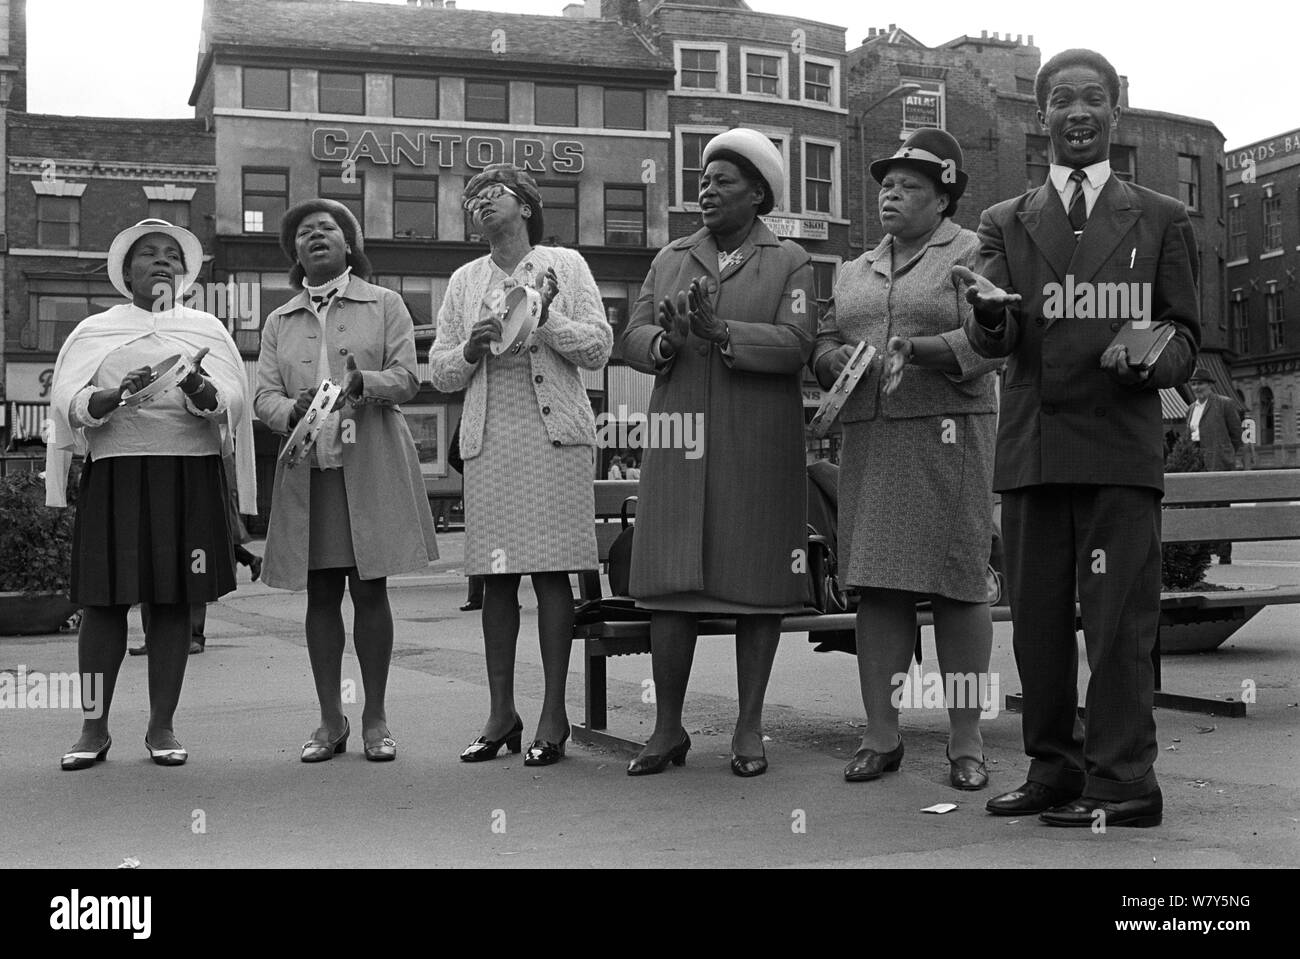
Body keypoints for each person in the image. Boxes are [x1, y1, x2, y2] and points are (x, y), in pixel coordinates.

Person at [955, 48, 1200, 827]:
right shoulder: (1003, 220)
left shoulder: (1161, 217)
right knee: (1037, 624)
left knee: (1120, 622)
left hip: (1118, 449)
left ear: (1115, 112)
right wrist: (988, 314)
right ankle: (1054, 767)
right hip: (1034, 447)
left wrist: (1152, 355)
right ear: (1043, 117)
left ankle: (1125, 780)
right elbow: (993, 339)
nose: (1079, 112)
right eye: (1062, 100)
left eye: (1094, 97)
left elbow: (1186, 337)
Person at [812, 129, 1003, 790]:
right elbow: (826, 337)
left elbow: (993, 340)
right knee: (879, 584)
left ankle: (967, 739)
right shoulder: (855, 269)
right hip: (873, 438)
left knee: (959, 584)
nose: (890, 194)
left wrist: (921, 351)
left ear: (943, 197)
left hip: (949, 435)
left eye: (909, 186)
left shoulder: (973, 253)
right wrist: (830, 357)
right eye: (886, 185)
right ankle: (881, 734)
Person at [621, 128, 815, 778]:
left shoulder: (791, 262)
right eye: (703, 180)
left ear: (757, 193)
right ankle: (666, 727)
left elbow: (798, 343)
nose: (706, 190)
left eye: (722, 180)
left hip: (755, 444)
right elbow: (633, 334)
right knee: (669, 586)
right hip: (679, 440)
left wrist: (722, 330)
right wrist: (668, 342)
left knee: (757, 586)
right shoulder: (671, 256)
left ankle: (749, 725)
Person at [47, 218, 256, 770]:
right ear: (126, 270)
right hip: (116, 475)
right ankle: (93, 728)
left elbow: (231, 404)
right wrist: (114, 394)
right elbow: (69, 403)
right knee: (102, 603)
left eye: (171, 254)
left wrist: (194, 384)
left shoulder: (207, 329)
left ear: (184, 273)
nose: (162, 260)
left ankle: (162, 726)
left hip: (188, 475)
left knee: (173, 601)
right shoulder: (94, 331)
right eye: (148, 253)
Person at [429, 164, 612, 767]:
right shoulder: (464, 280)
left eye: (493, 193)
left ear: (527, 206)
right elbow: (441, 371)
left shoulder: (566, 265)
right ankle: (501, 712)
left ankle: (554, 713)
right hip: (491, 438)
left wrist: (543, 317)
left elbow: (598, 347)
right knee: (497, 577)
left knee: (553, 574)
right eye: (472, 198)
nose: (480, 202)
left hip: (555, 437)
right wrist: (471, 347)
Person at [255, 199, 438, 763]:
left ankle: (375, 717)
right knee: (320, 593)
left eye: (327, 228)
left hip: (371, 464)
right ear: (294, 252)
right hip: (310, 471)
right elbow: (263, 396)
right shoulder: (279, 320)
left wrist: (365, 383)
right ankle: (330, 720)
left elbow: (408, 378)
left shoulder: (385, 304)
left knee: (370, 589)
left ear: (349, 242)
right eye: (304, 232)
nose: (315, 236)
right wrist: (290, 410)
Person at [131, 452, 263, 655]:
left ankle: (194, 635)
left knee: (195, 568)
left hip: (197, 468)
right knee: (153, 566)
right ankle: (153, 637)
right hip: (156, 467)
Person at [1186, 367, 1243, 563]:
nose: (1197, 388)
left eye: (1200, 383)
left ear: (1210, 385)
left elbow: (1236, 435)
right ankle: (1204, 551)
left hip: (1218, 461)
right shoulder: (1191, 408)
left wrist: (1225, 454)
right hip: (1197, 460)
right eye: (1194, 384)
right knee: (1201, 508)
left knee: (1221, 507)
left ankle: (1224, 553)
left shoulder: (1224, 404)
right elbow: (1188, 436)